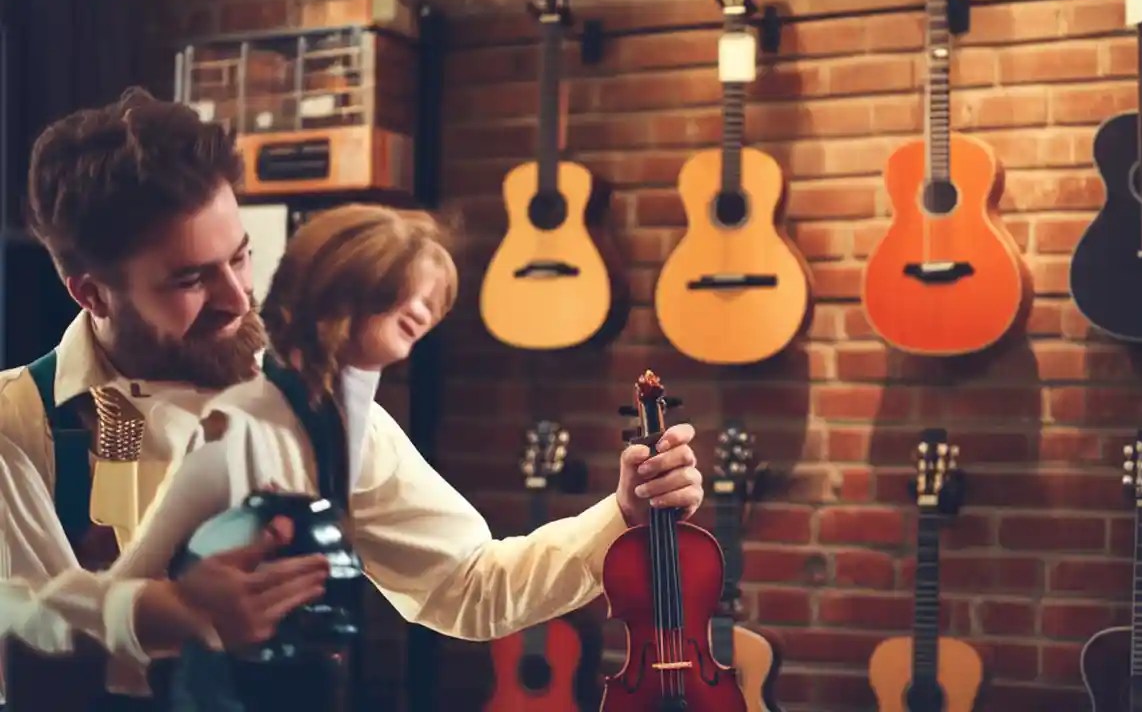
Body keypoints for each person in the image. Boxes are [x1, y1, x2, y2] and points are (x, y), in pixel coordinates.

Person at [0, 88, 704, 709]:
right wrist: (166, 613)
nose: (237, 298)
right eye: (190, 280)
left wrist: (622, 515)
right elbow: (19, 646)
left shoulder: (313, 409)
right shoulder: (16, 426)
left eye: (240, 256)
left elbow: (466, 585)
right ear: (92, 293)